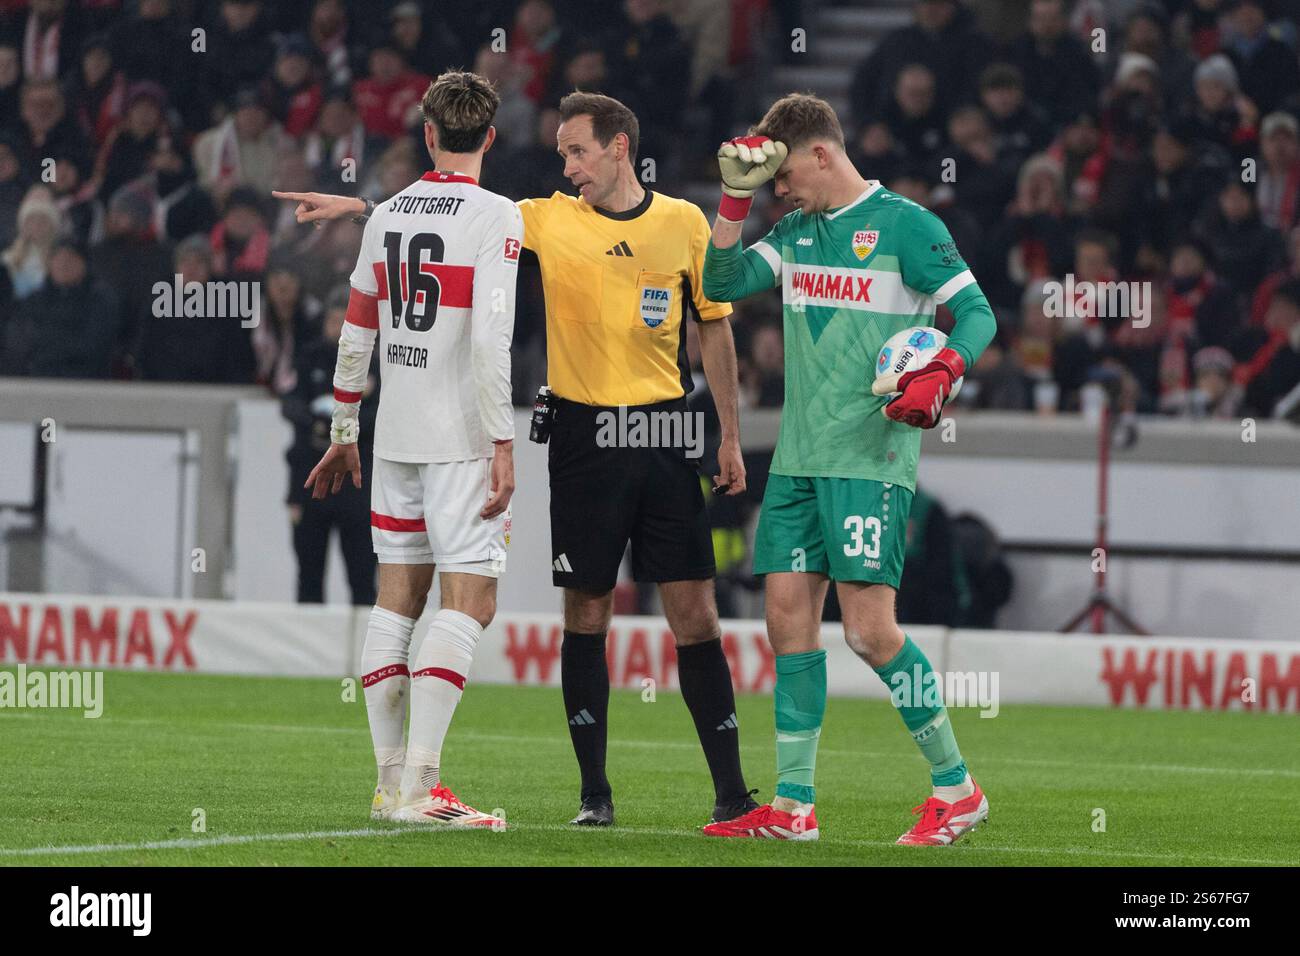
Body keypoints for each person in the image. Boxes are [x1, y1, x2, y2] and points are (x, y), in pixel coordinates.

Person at [275, 92, 757, 831]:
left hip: (664, 435)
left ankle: (732, 796)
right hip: (582, 438)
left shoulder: (684, 223)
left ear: (620, 147)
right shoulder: (542, 217)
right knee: (585, 612)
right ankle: (594, 797)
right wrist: (359, 207)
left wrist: (728, 433)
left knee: (695, 614)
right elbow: (449, 214)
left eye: (578, 152)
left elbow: (714, 329)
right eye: (561, 153)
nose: (566, 168)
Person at [699, 93, 996, 844]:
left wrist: (946, 369)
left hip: (871, 456)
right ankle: (796, 806)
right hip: (799, 460)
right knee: (787, 623)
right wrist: (732, 200)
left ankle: (957, 789)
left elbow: (981, 313)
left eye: (781, 174)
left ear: (822, 154)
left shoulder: (909, 227)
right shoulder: (794, 233)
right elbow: (722, 284)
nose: (779, 189)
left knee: (868, 633)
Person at [296, 71, 521, 828]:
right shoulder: (498, 216)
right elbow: (492, 340)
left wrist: (344, 431)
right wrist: (503, 439)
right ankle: (423, 787)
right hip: (459, 437)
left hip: (392, 438)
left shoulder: (385, 215)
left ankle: (391, 784)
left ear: (428, 133)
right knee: (472, 601)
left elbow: (355, 327)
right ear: (489, 136)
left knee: (396, 600)